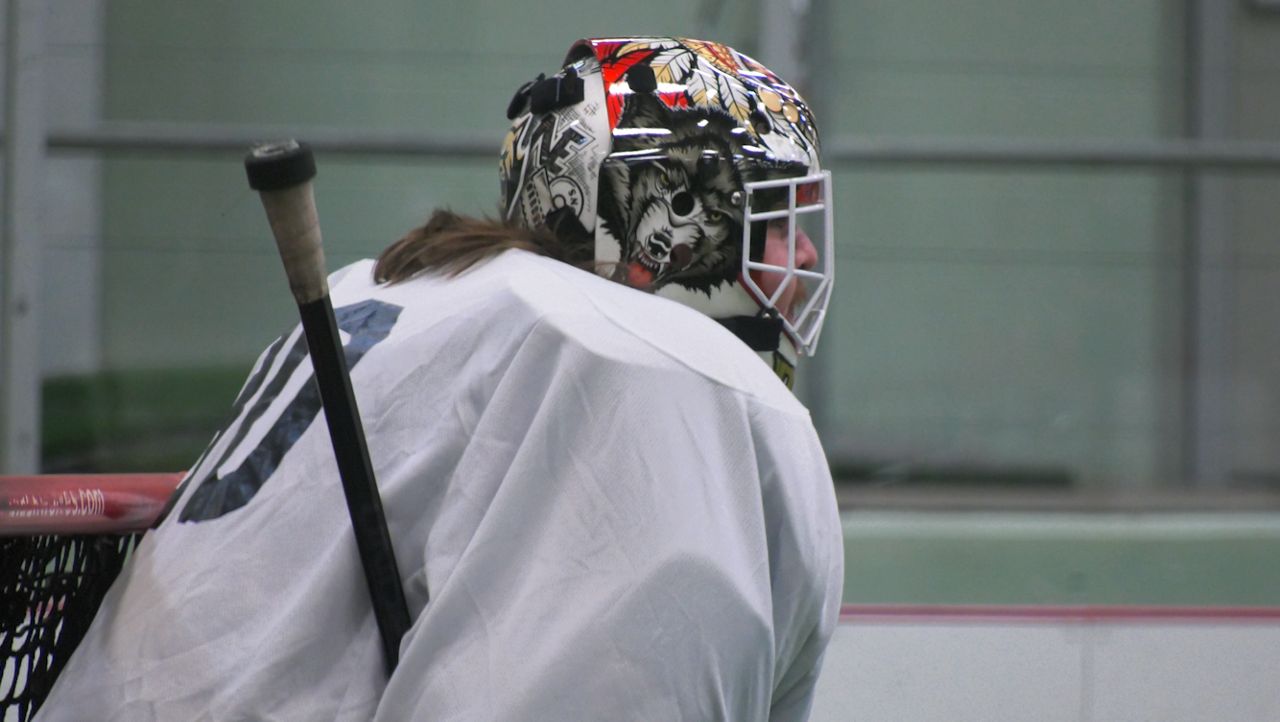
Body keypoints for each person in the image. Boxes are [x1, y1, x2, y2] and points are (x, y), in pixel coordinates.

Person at [38, 37, 843, 721]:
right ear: (660, 212)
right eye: (776, 220)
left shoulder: (384, 288)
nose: (805, 257)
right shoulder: (652, 369)